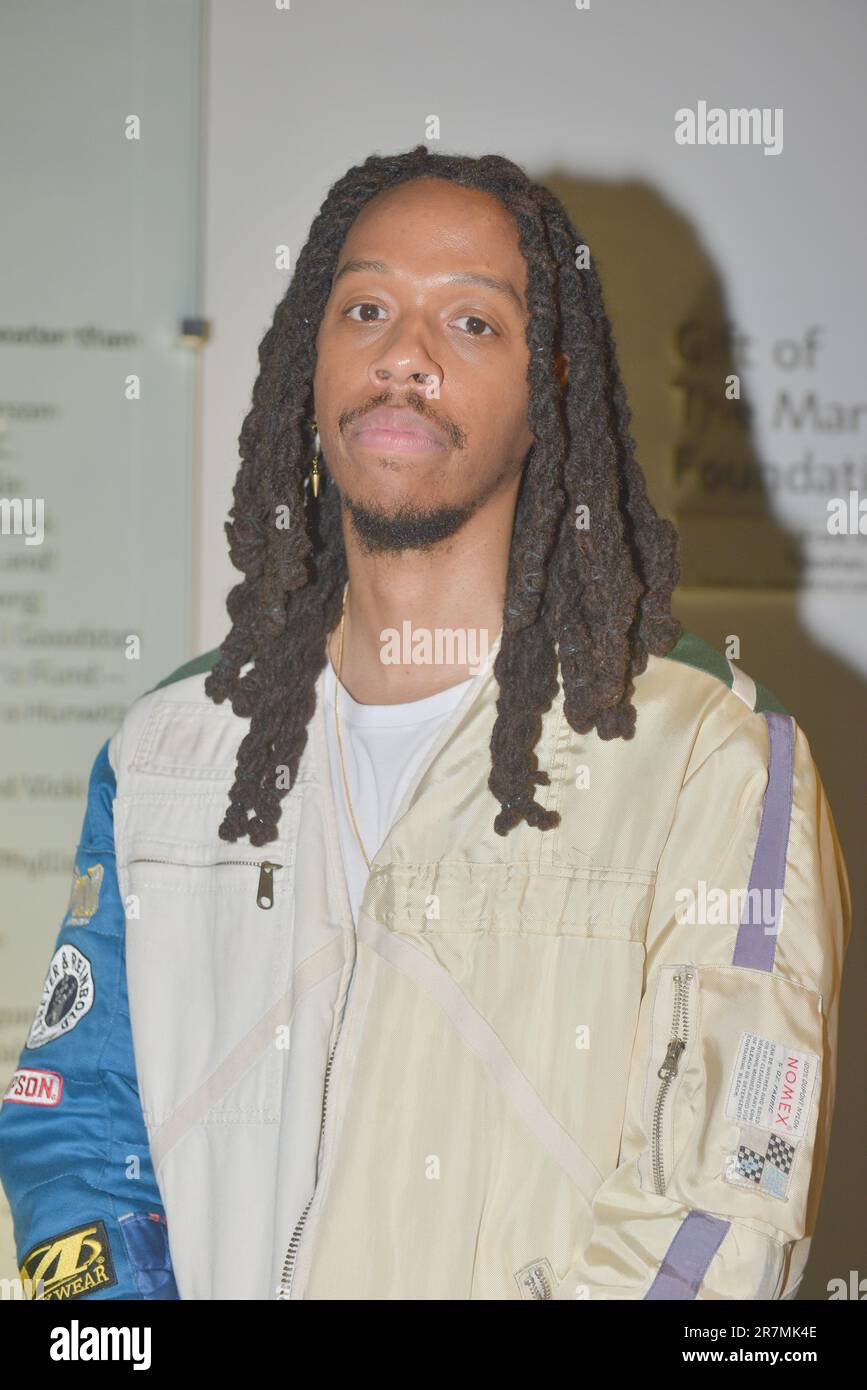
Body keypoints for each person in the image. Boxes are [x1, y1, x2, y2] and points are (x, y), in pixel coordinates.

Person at [0, 145, 851, 1301]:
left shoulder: (709, 756)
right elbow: (74, 1134)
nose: (404, 355)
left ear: (551, 386)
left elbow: (723, 1214)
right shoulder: (167, 752)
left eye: (472, 324)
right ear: (312, 354)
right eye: (366, 307)